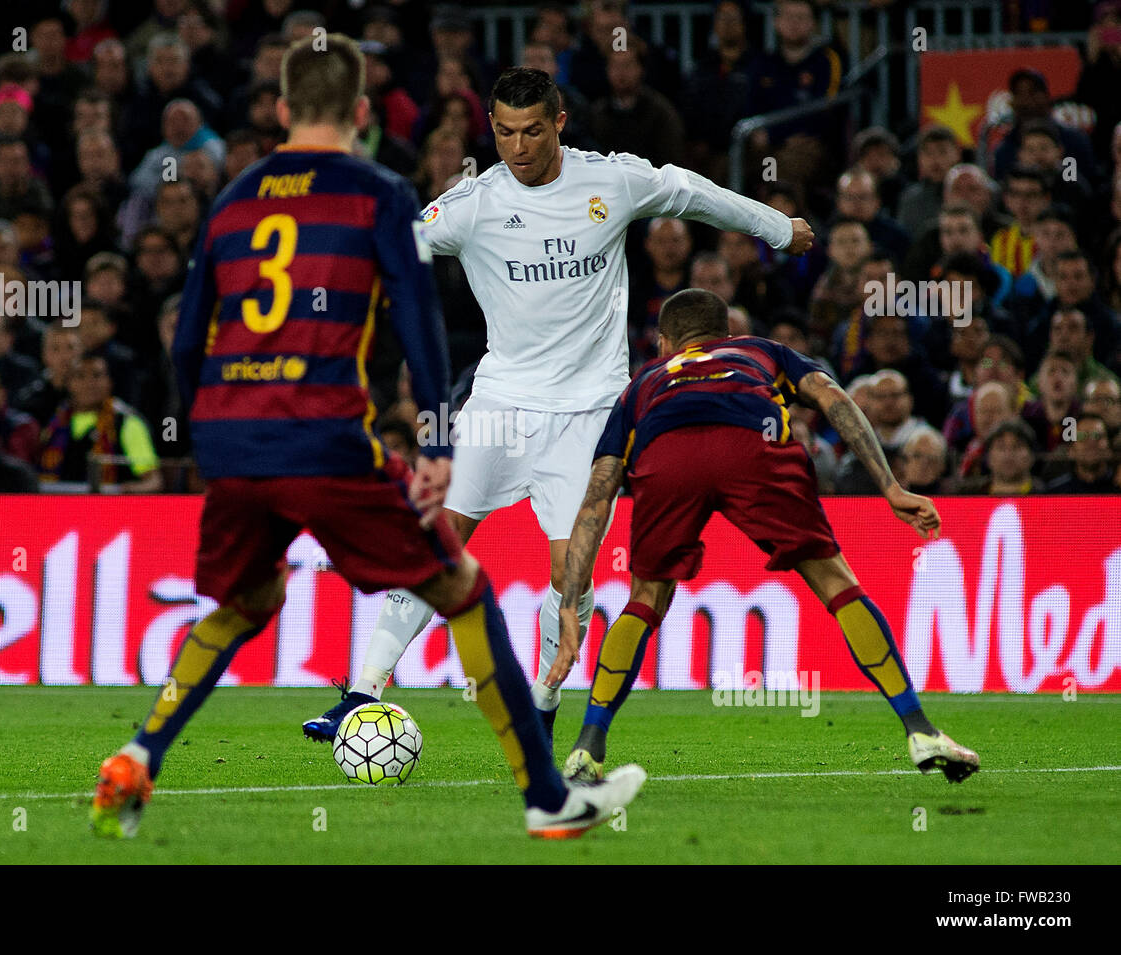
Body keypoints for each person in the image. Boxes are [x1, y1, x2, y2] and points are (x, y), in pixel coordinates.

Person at [90, 35, 646, 841]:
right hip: (324, 437)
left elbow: (184, 339)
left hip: (231, 438)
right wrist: (436, 444)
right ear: (359, 112)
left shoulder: (235, 198)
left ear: (281, 111)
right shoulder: (377, 191)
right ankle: (546, 798)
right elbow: (419, 327)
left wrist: (199, 431)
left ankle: (140, 753)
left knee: (244, 603)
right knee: (462, 589)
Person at [302, 65, 814, 747]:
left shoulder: (610, 180)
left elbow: (692, 193)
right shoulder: (472, 203)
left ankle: (542, 706)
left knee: (569, 576)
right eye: (506, 132)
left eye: (533, 131)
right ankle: (361, 692)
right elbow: (390, 251)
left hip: (588, 412)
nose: (519, 146)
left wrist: (776, 228)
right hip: (501, 403)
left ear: (559, 124)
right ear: (492, 128)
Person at [546, 289, 979, 785]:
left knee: (646, 596)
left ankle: (586, 748)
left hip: (667, 457)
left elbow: (599, 494)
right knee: (835, 581)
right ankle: (919, 729)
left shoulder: (643, 382)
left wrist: (569, 602)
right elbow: (833, 398)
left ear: (665, 343)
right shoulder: (760, 350)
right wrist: (891, 486)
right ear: (726, 332)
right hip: (751, 440)